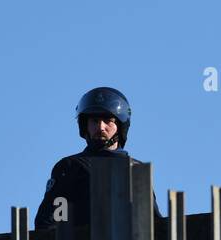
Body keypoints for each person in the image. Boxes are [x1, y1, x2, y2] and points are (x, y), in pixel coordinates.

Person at [35, 87, 160, 230]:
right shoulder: (70, 167)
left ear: (119, 126)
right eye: (94, 121)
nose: (100, 127)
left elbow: (154, 226)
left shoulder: (136, 170)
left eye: (108, 120)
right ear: (85, 126)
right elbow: (52, 222)